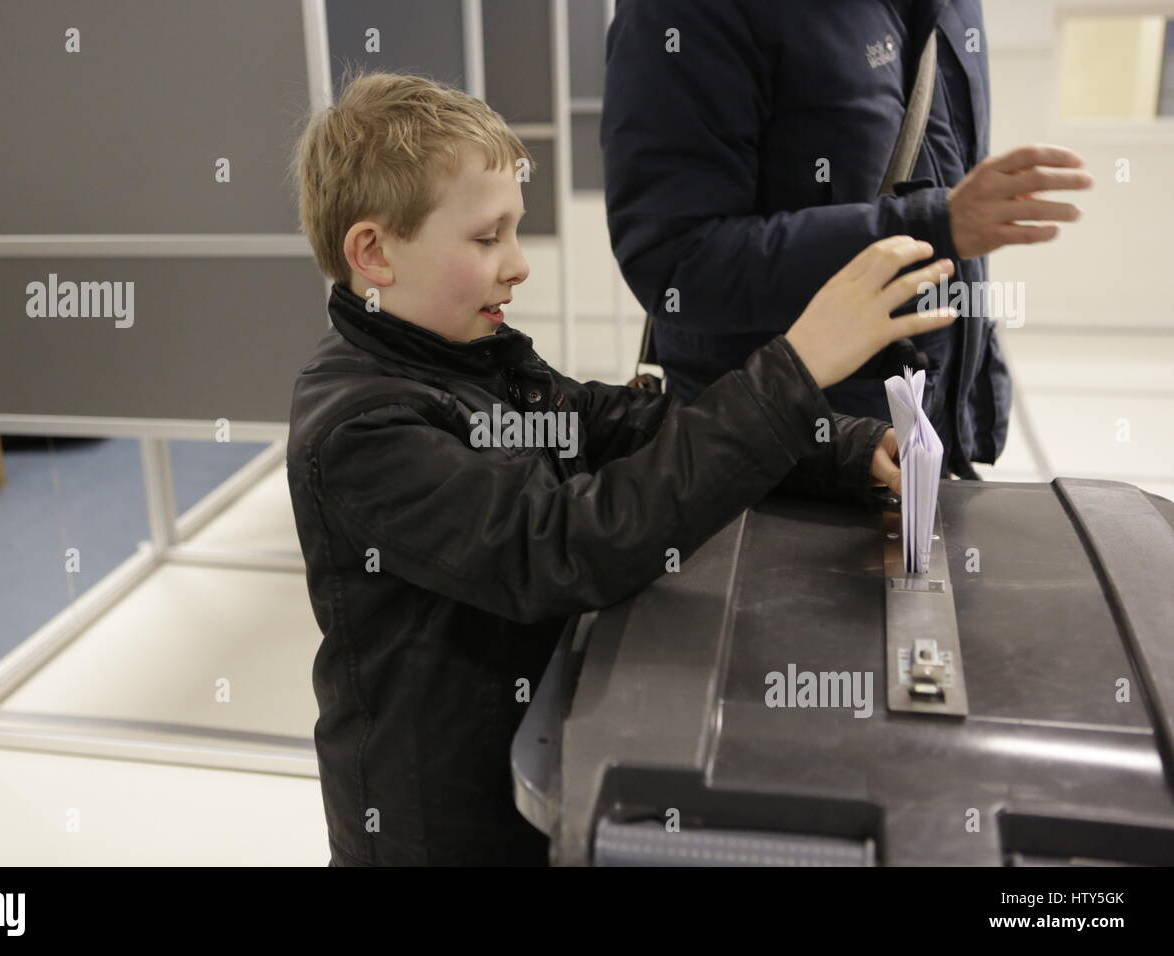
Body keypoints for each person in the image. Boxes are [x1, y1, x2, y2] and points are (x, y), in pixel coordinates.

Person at [284, 70, 955, 866]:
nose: (518, 264)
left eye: (514, 231)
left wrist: (842, 447)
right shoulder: (362, 432)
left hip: (524, 765)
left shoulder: (469, 357)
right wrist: (797, 366)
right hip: (437, 830)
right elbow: (560, 548)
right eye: (486, 236)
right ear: (374, 253)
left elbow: (625, 424)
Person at [602, 0, 1092, 478]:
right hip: (777, 469)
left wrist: (969, 400)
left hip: (923, 444)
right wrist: (929, 228)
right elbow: (677, 263)